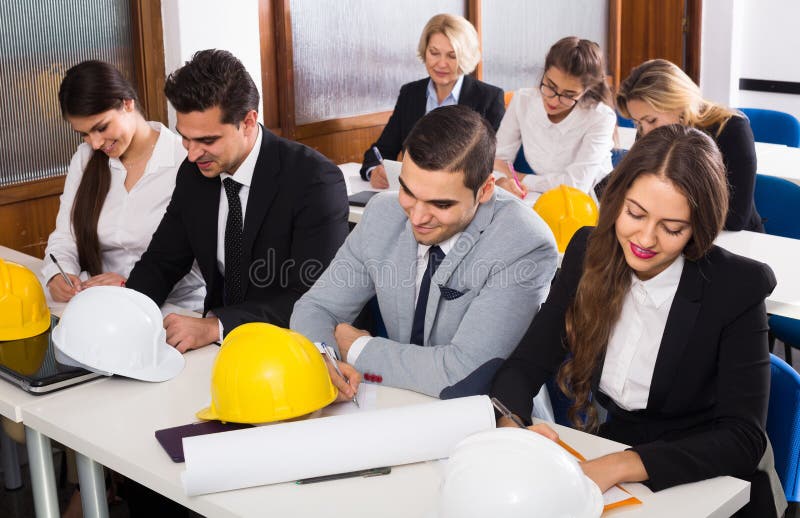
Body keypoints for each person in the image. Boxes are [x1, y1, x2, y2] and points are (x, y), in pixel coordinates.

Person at [490, 125, 786, 518]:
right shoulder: (587, 252)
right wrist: (513, 429)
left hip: (711, 475)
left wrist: (619, 465)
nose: (645, 239)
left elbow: (742, 437)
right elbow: (525, 364)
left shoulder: (736, 286)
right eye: (635, 214)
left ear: (698, 227)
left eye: (672, 228)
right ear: (617, 200)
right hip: (617, 454)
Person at [292, 105, 558, 400]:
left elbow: (465, 376)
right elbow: (316, 308)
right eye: (408, 191)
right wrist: (323, 358)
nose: (416, 218)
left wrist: (356, 349)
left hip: (486, 415)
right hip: (391, 402)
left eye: (440, 204)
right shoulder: (382, 212)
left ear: (485, 190)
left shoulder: (524, 242)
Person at [126, 49, 349, 352]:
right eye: (185, 138)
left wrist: (215, 326)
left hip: (290, 348)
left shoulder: (314, 180)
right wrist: (125, 313)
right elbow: (162, 262)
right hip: (218, 349)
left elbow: (313, 298)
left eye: (207, 140)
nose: (192, 154)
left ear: (248, 121)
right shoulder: (194, 174)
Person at [42, 60, 205, 310]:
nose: (95, 143)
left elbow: (198, 261)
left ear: (127, 103)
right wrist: (59, 273)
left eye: (101, 128)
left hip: (175, 309)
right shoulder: (86, 159)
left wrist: (132, 285)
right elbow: (66, 235)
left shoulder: (186, 161)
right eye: (84, 134)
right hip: (106, 304)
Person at [360, 13, 505, 189]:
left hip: (460, 196)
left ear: (465, 57)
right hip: (412, 193)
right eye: (434, 53)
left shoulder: (489, 98)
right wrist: (375, 170)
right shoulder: (410, 93)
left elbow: (494, 164)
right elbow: (381, 150)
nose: (441, 64)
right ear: (425, 51)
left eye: (452, 56)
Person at [616, 58, 762, 232]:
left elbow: (735, 218)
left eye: (651, 120)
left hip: (731, 237)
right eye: (638, 123)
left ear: (677, 102)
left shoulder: (732, 129)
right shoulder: (649, 131)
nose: (645, 132)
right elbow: (630, 185)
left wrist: (660, 206)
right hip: (670, 231)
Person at [493, 37, 616, 200]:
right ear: (544, 72)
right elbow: (497, 160)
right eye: (550, 86)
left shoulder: (601, 117)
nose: (554, 101)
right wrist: (502, 181)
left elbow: (576, 186)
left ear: (586, 90)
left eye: (569, 95)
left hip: (593, 200)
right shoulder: (523, 100)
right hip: (544, 198)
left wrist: (520, 177)